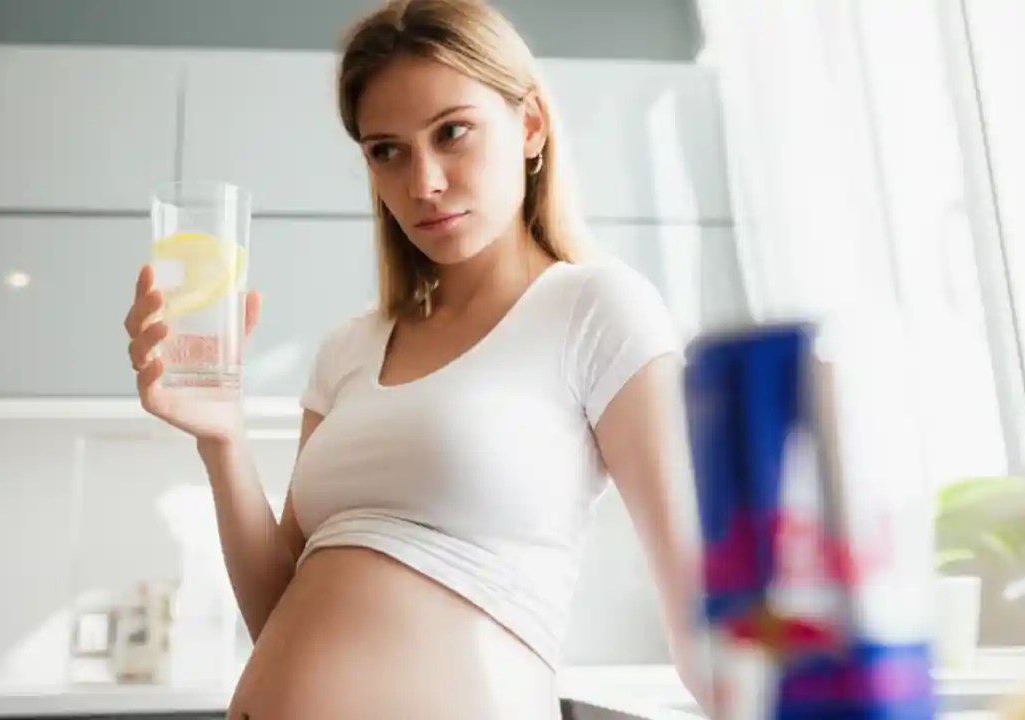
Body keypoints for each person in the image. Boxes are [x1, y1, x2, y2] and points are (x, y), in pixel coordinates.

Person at [123, 0, 713, 717]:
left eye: (452, 132)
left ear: (530, 125)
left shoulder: (596, 308)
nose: (422, 183)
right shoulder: (348, 349)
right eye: (387, 151)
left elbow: (707, 616)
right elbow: (277, 614)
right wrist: (223, 440)